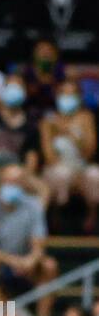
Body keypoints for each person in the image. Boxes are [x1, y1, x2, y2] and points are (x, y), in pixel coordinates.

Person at [0, 165, 58, 316]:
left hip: (25, 265)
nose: (10, 186)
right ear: (0, 183)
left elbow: (38, 246)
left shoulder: (33, 205)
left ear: (24, 186)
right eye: (7, 181)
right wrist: (15, 262)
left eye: (15, 182)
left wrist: (30, 261)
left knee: (49, 266)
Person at [40, 75, 99, 234]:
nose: (67, 98)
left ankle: (92, 217)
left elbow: (89, 153)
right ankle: (57, 217)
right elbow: (49, 158)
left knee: (95, 174)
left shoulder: (86, 118)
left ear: (79, 98)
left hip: (81, 167)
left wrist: (69, 133)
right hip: (58, 168)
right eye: (63, 94)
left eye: (71, 94)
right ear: (58, 97)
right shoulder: (49, 121)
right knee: (62, 175)